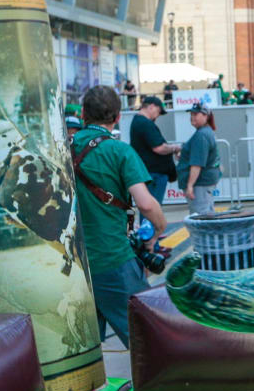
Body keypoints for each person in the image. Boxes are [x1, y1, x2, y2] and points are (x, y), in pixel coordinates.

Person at [71, 85, 167, 347]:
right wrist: (158, 229)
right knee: (149, 341)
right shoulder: (120, 152)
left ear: (82, 114)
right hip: (112, 260)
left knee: (85, 351)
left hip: (72, 265)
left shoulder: (63, 148)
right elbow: (146, 204)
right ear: (117, 117)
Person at [129, 95, 181, 203]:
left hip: (149, 173)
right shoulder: (145, 123)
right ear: (151, 107)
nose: (157, 116)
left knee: (149, 207)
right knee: (153, 207)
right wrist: (175, 148)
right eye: (158, 111)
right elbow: (159, 148)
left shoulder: (139, 121)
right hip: (154, 174)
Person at [178, 102, 220, 215]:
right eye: (191, 114)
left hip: (200, 183)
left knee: (201, 215)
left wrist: (190, 185)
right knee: (206, 213)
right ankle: (210, 233)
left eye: (196, 114)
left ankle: (206, 233)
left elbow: (197, 164)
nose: (192, 117)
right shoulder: (205, 132)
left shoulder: (201, 135)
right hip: (204, 181)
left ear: (205, 116)